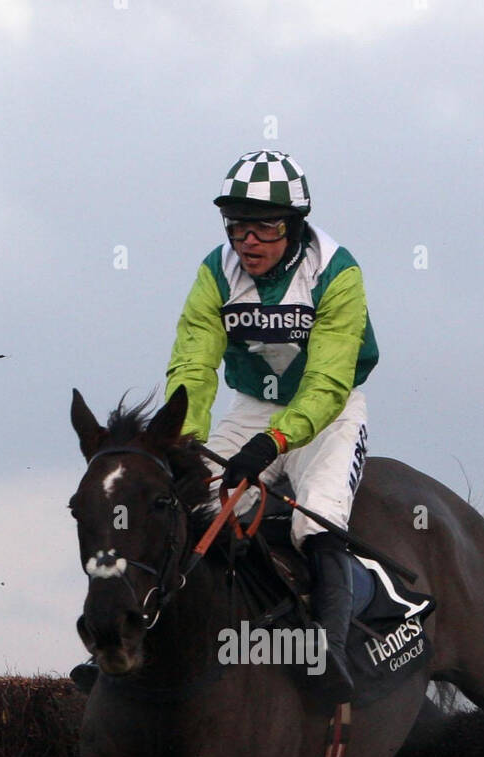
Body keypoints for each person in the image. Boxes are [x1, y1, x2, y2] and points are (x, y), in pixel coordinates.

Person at [165, 149, 379, 701]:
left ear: (295, 226)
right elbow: (194, 363)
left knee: (319, 522)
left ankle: (329, 656)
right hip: (252, 406)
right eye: (237, 229)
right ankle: (153, 648)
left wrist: (274, 444)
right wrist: (182, 440)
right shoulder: (215, 270)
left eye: (263, 228)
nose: (247, 243)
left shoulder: (337, 271)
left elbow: (328, 382)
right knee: (190, 506)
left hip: (329, 412)